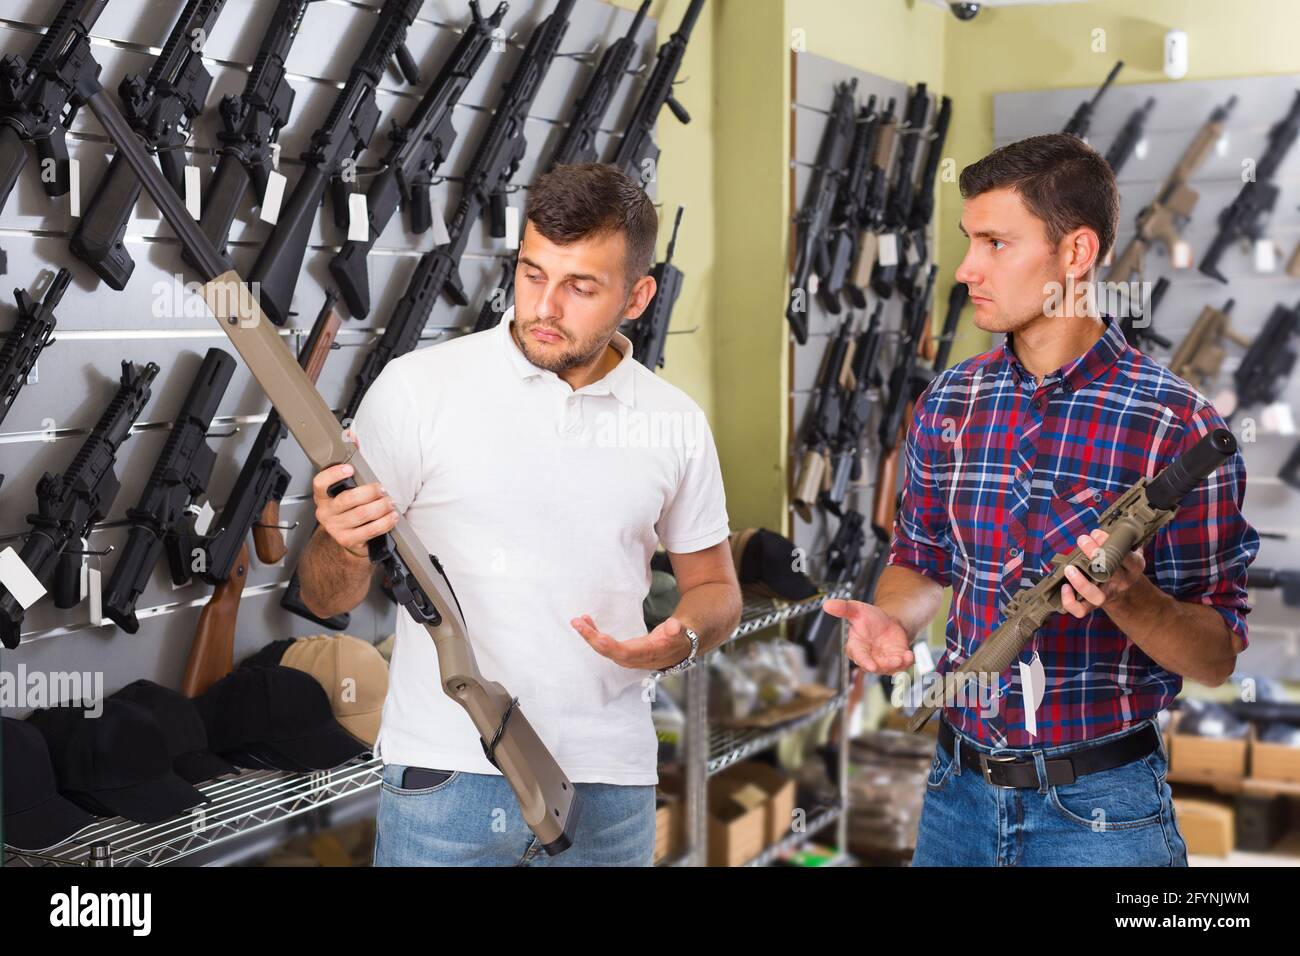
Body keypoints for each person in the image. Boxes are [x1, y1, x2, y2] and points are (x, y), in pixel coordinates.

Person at [825, 133, 1260, 866]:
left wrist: (1130, 596)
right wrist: (890, 618)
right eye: (970, 240)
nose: (967, 269)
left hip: (1101, 812)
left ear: (1076, 253)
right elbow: (921, 560)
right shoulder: (948, 402)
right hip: (954, 793)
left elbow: (1216, 657)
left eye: (996, 242)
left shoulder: (1177, 427)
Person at [297, 163, 741, 866]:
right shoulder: (419, 390)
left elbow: (716, 590)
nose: (544, 306)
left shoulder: (675, 422)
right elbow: (325, 597)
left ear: (639, 295)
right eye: (533, 274)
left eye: (581, 287)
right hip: (446, 773)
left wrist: (679, 638)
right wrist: (343, 543)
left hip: (610, 785)